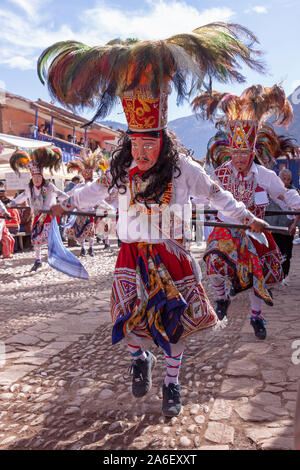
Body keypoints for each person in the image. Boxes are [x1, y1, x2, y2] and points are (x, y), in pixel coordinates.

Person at [41, 21, 266, 417]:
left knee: (175, 328)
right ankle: (140, 360)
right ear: (129, 140)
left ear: (163, 140)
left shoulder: (183, 170)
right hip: (130, 256)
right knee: (128, 321)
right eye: (137, 143)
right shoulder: (121, 169)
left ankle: (172, 385)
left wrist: (247, 217)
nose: (142, 152)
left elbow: (217, 194)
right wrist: (64, 201)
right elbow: (93, 192)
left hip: (172, 256)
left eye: (150, 144)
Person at [192, 84, 300, 340]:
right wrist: (183, 207)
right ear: (230, 151)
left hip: (256, 231)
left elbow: (284, 195)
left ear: (253, 151)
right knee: (214, 260)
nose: (239, 158)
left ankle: (256, 315)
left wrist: (297, 206)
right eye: (235, 153)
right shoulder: (219, 174)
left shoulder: (264, 174)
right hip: (226, 229)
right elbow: (201, 196)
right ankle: (220, 298)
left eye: (244, 153)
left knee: (256, 274)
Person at [8, 147, 67, 271]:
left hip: (48, 217)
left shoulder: (49, 186)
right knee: (36, 239)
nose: (36, 180)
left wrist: (70, 202)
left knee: (50, 238)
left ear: (42, 177)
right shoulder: (29, 188)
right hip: (37, 217)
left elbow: (62, 195)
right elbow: (22, 197)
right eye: (34, 178)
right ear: (32, 178)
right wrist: (12, 203)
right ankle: (38, 260)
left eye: (39, 177)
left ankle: (56, 257)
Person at [64, 149, 103, 257]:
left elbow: (100, 198)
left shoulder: (94, 187)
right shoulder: (79, 186)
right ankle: (83, 248)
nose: (88, 180)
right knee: (79, 232)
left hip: (90, 213)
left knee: (90, 232)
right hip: (80, 213)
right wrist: (61, 199)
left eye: (89, 178)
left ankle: (91, 248)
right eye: (87, 178)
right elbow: (70, 194)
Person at [265, 168, 300, 285]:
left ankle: (285, 276)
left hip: (286, 229)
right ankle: (273, 276)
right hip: (272, 227)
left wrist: (294, 225)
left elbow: (297, 211)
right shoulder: (271, 192)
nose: (286, 181)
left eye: (288, 179)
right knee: (272, 253)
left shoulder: (293, 192)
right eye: (283, 179)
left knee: (286, 254)